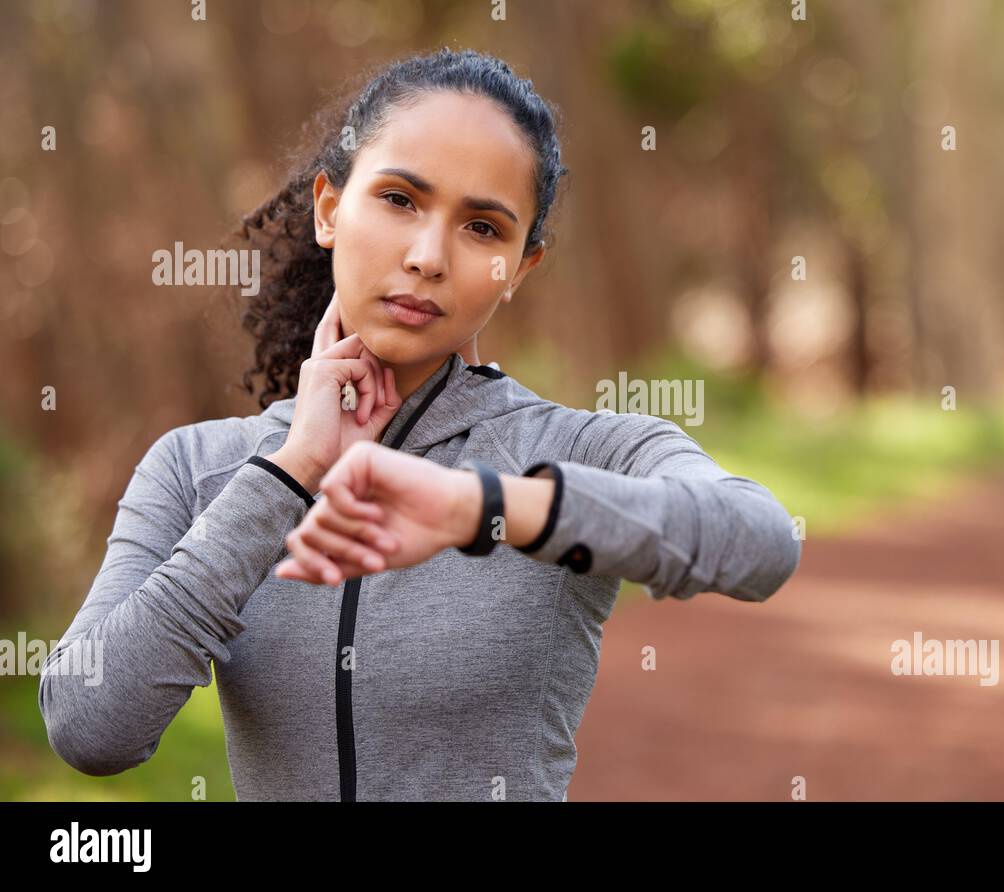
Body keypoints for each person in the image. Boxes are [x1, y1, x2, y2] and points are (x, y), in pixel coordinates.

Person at [39, 48, 801, 802]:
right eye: (400, 199)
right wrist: (288, 473)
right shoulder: (196, 468)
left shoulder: (572, 450)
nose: (428, 257)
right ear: (329, 209)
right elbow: (88, 727)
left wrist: (485, 507)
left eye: (482, 228)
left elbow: (761, 541)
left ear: (520, 269)